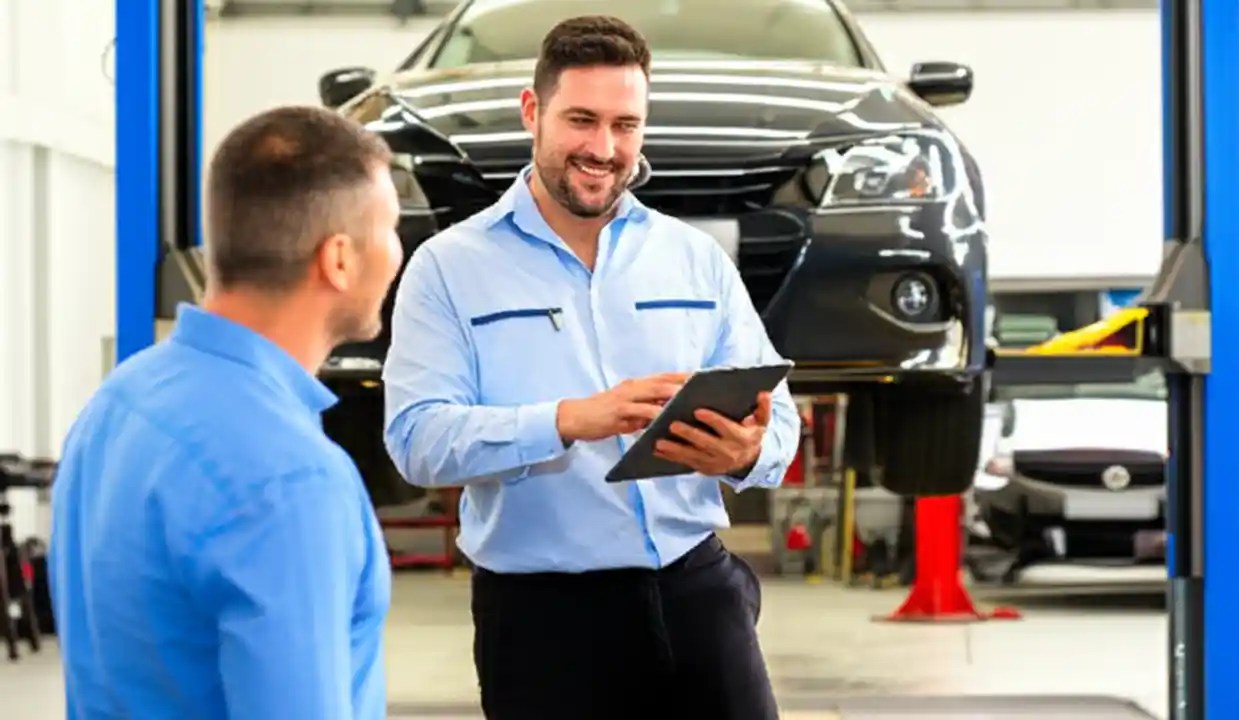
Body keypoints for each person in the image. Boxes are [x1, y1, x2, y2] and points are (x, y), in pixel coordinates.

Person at [381, 14, 801, 720]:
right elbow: (416, 439)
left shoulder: (692, 258)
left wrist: (751, 450)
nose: (604, 149)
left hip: (696, 592)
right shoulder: (450, 268)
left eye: (625, 125)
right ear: (531, 111)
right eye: (581, 120)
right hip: (545, 621)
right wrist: (570, 420)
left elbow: (777, 416)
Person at [48, 106, 403, 719]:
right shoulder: (292, 478)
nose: (399, 252)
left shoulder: (118, 401)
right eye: (393, 228)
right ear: (338, 258)